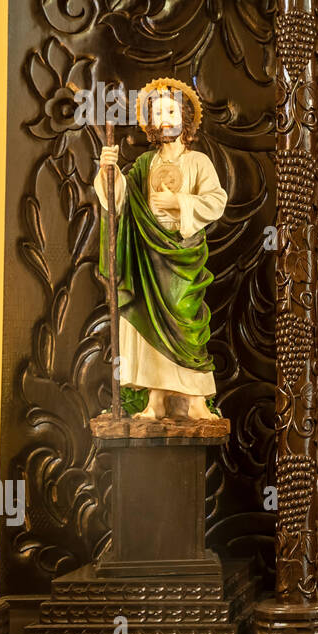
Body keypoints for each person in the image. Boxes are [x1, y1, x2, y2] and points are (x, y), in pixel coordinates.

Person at [94, 78, 226, 420]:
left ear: (185, 117)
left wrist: (179, 202)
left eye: (171, 111)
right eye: (158, 113)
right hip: (147, 259)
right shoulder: (143, 165)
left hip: (182, 256)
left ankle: (196, 401)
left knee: (185, 320)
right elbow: (118, 201)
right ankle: (156, 402)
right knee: (149, 327)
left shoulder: (197, 162)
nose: (165, 119)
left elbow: (216, 201)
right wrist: (109, 170)